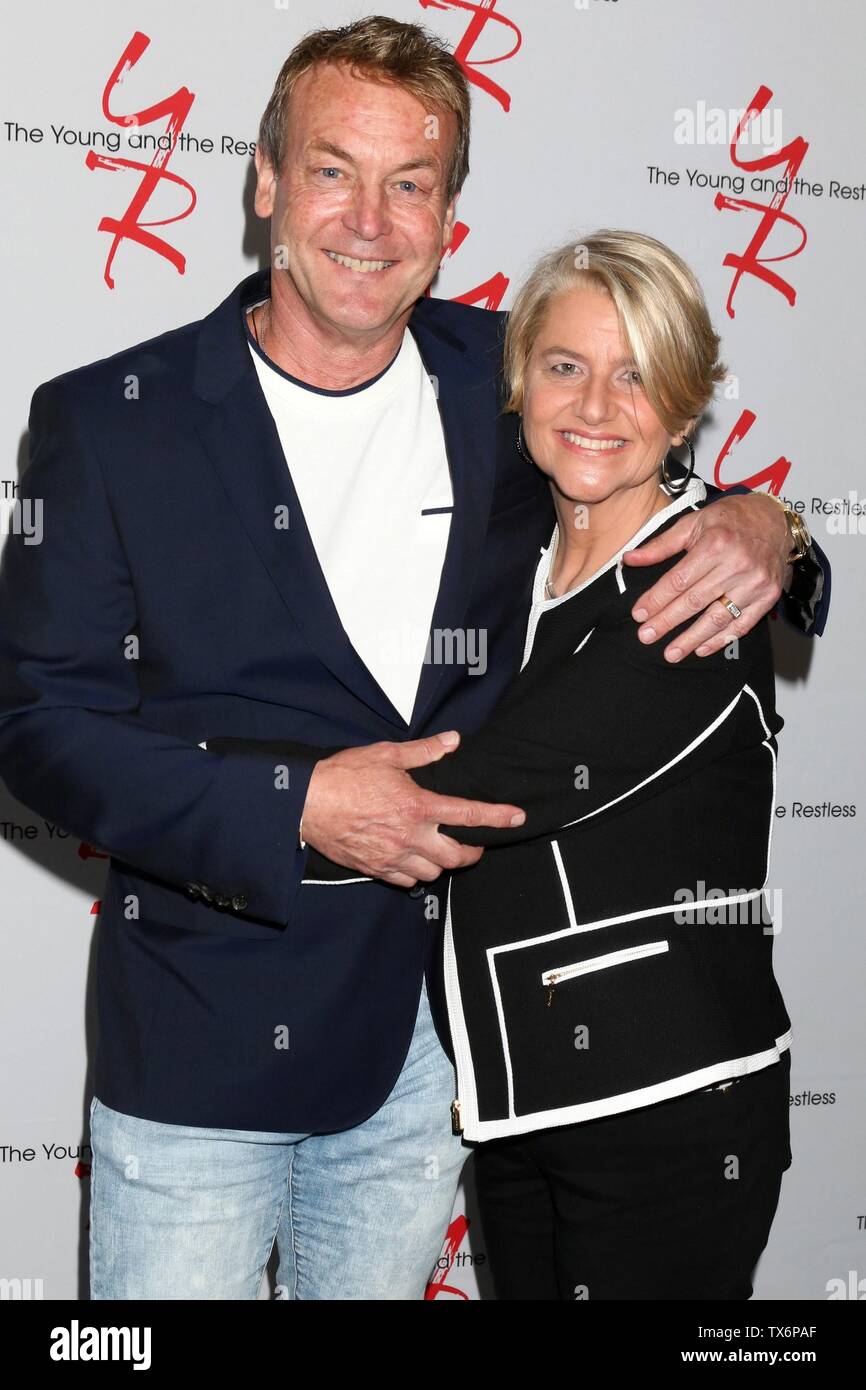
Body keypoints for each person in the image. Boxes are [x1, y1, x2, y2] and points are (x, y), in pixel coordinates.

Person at [0, 18, 827, 1301]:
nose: (368, 221)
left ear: (448, 212)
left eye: (410, 184)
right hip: (201, 1049)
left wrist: (772, 526)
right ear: (265, 180)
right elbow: (38, 724)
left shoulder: (503, 377)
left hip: (437, 1056)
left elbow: (640, 468)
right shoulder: (109, 422)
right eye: (332, 170)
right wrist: (294, 805)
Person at [228, 230, 800, 1300]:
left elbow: (468, 795)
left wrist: (201, 780)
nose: (595, 406)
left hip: (666, 1113)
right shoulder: (511, 556)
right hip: (517, 1106)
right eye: (565, 365)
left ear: (683, 408)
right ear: (520, 384)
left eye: (637, 375)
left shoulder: (694, 593)